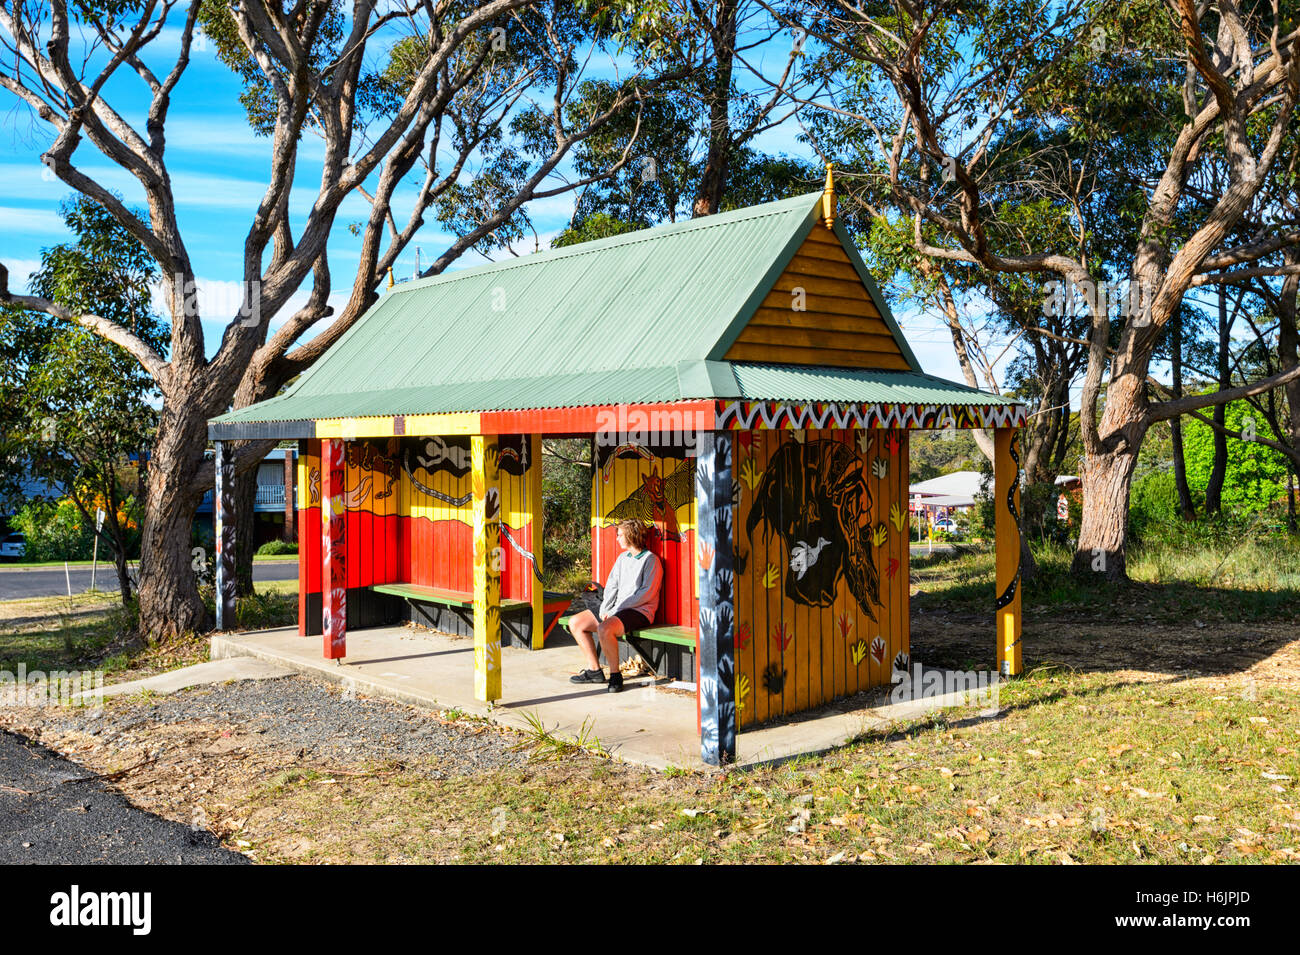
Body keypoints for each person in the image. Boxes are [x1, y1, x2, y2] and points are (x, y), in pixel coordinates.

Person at [568, 519, 662, 693]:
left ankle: (615, 675)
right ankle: (594, 671)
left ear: (630, 536)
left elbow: (646, 593)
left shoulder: (651, 561)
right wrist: (605, 609)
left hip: (639, 611)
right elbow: (612, 586)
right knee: (575, 623)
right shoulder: (622, 558)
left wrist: (616, 610)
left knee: (604, 629)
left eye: (620, 535)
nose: (617, 539)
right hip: (616, 609)